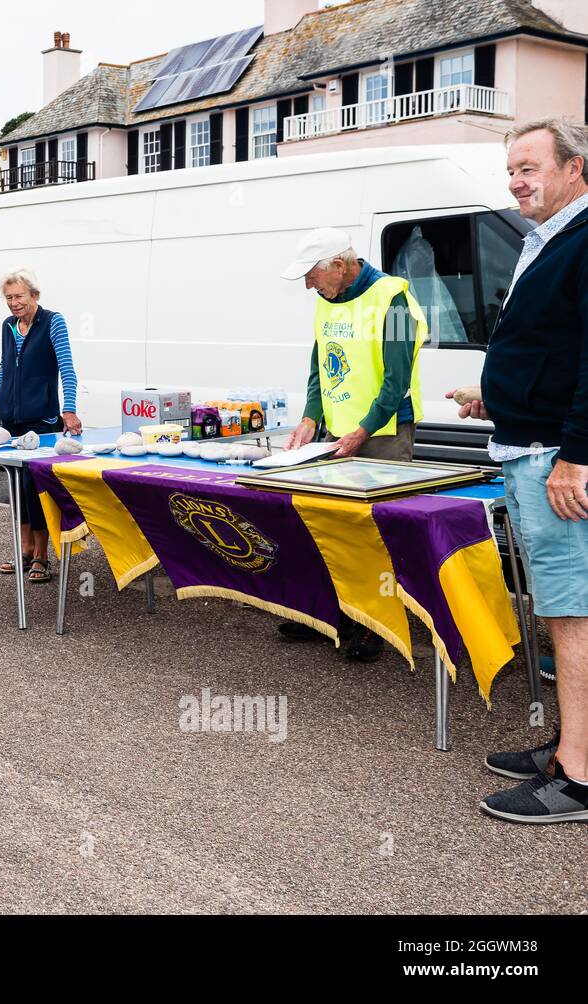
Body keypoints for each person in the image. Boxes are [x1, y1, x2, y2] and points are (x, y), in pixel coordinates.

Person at [448, 118, 588, 825]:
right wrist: (494, 396)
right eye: (511, 169)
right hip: (530, 445)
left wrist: (576, 456)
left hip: (556, 463)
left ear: (575, 168)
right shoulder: (552, 240)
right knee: (563, 606)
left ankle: (580, 778)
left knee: (571, 610)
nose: (516, 179)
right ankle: (571, 746)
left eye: (530, 165)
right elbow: (552, 349)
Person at [277, 228, 429, 661]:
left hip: (381, 436)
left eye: (312, 275)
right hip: (337, 435)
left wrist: (362, 431)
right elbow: (319, 366)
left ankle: (371, 627)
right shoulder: (327, 300)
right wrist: (311, 417)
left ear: (340, 266)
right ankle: (329, 616)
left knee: (373, 535)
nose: (309, 285)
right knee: (329, 526)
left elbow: (397, 382)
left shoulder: (393, 298)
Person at [0, 267, 80, 584]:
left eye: (19, 296)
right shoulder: (8, 326)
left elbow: (67, 369)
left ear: (34, 296)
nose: (14, 303)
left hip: (41, 420)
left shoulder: (52, 322)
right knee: (16, 487)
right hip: (11, 419)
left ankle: (42, 555)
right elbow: (4, 363)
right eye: (9, 297)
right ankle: (24, 551)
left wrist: (68, 410)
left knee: (34, 488)